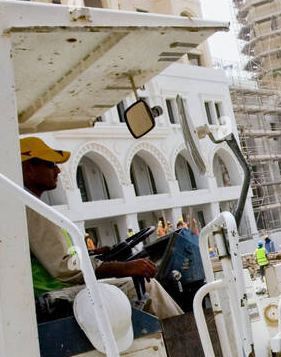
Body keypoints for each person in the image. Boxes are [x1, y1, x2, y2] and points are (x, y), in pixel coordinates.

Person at [20, 136, 181, 319]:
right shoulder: (32, 209)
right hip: (56, 295)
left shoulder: (26, 206)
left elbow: (54, 259)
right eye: (50, 164)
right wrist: (125, 268)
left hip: (56, 290)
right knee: (148, 287)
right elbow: (66, 268)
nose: (57, 170)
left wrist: (94, 255)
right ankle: (191, 341)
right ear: (28, 168)